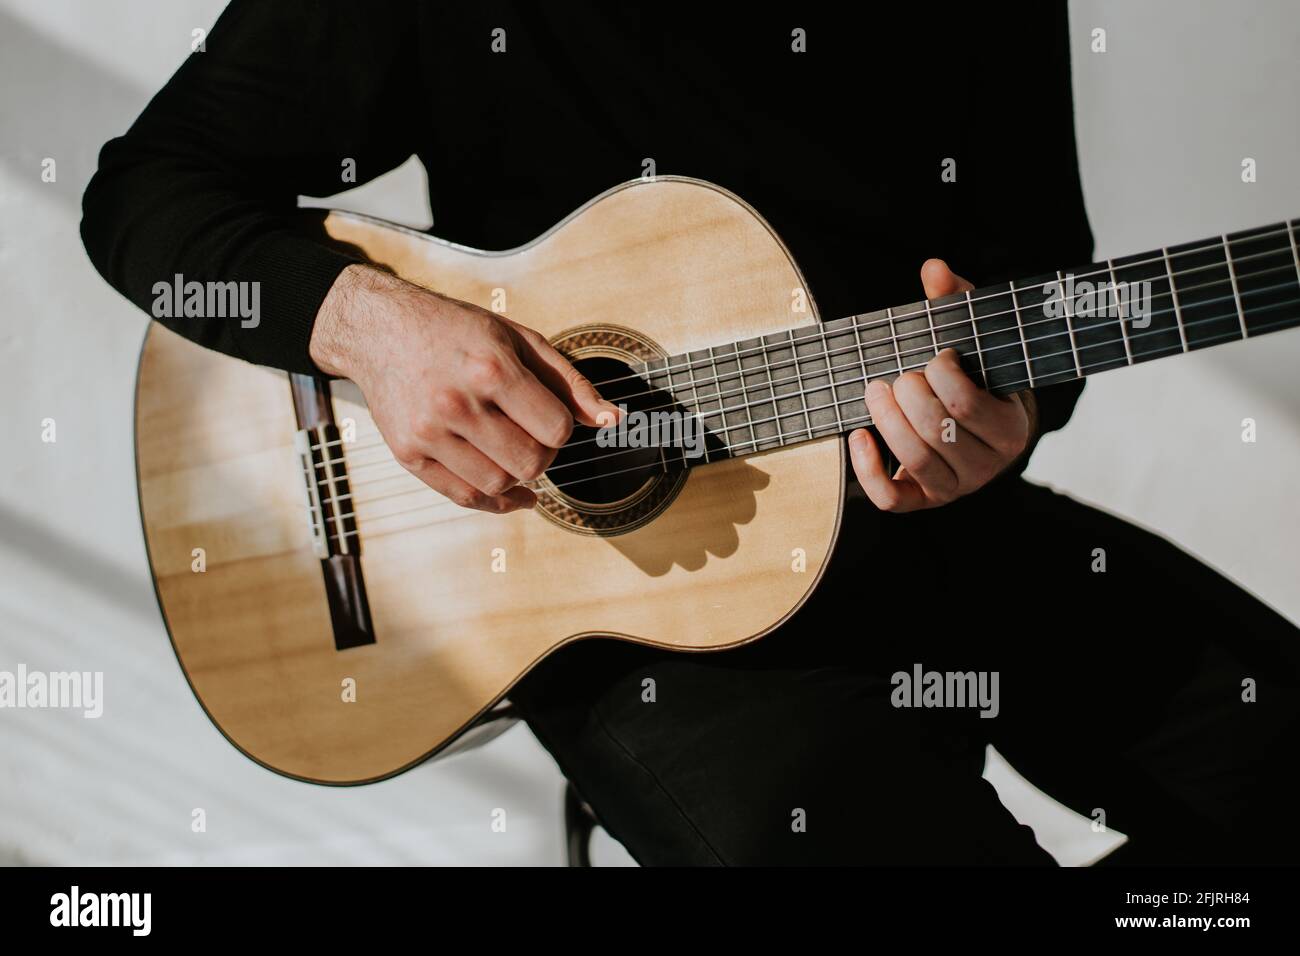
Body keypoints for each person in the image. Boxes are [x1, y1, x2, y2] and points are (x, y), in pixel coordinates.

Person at [81, 2, 1299, 864]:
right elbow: (146, 194)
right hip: (628, 614)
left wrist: (1010, 417)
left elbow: (1039, 273)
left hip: (920, 522)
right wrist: (370, 328)